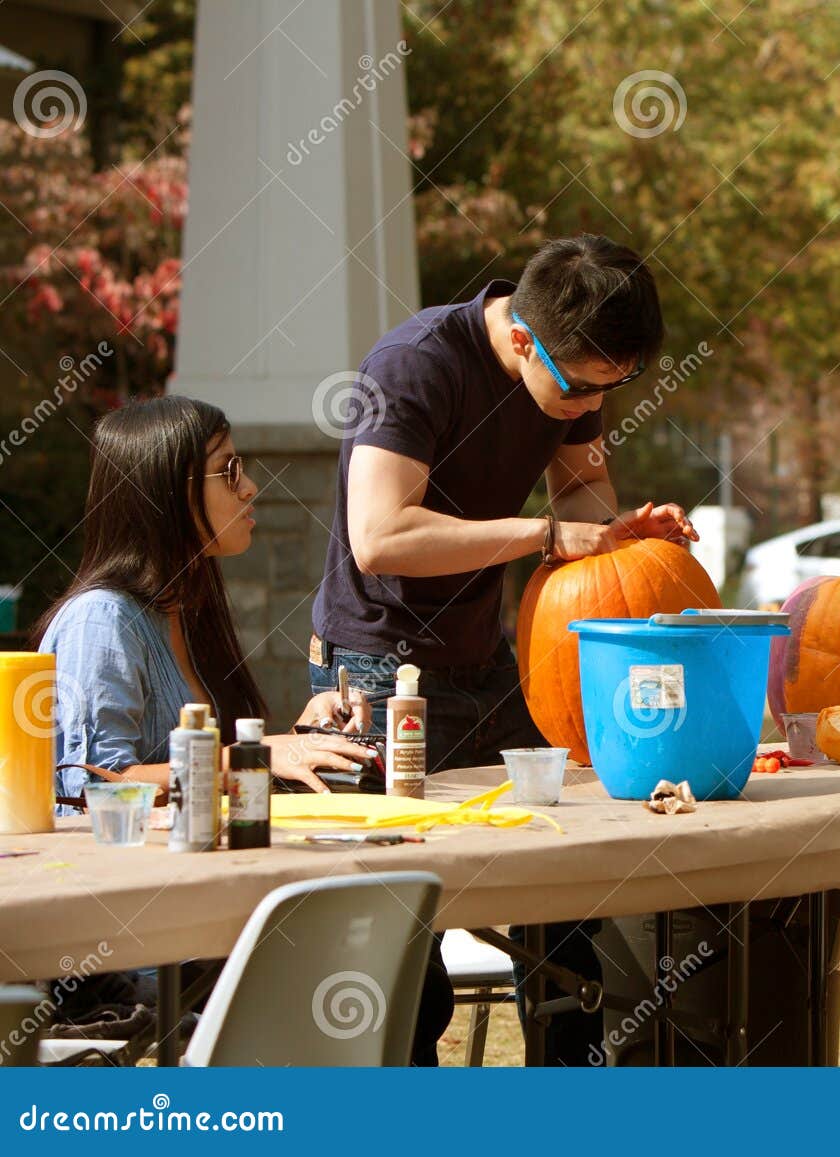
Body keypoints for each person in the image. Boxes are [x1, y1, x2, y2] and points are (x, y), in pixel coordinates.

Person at [307, 234, 697, 1063]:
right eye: (581, 387)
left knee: (564, 890)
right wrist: (544, 534)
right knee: (405, 930)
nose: (591, 404)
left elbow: (582, 489)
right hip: (380, 670)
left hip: (489, 661)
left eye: (613, 386)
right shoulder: (413, 367)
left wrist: (619, 537)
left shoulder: (574, 364)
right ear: (522, 340)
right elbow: (378, 536)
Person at [32, 395, 389, 1045]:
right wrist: (255, 756)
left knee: (390, 961)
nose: (250, 487)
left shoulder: (184, 610)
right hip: (130, 946)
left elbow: (206, 769)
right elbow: (90, 789)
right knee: (367, 971)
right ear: (166, 494)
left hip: (204, 912)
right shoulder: (101, 620)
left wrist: (302, 739)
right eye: (228, 471)